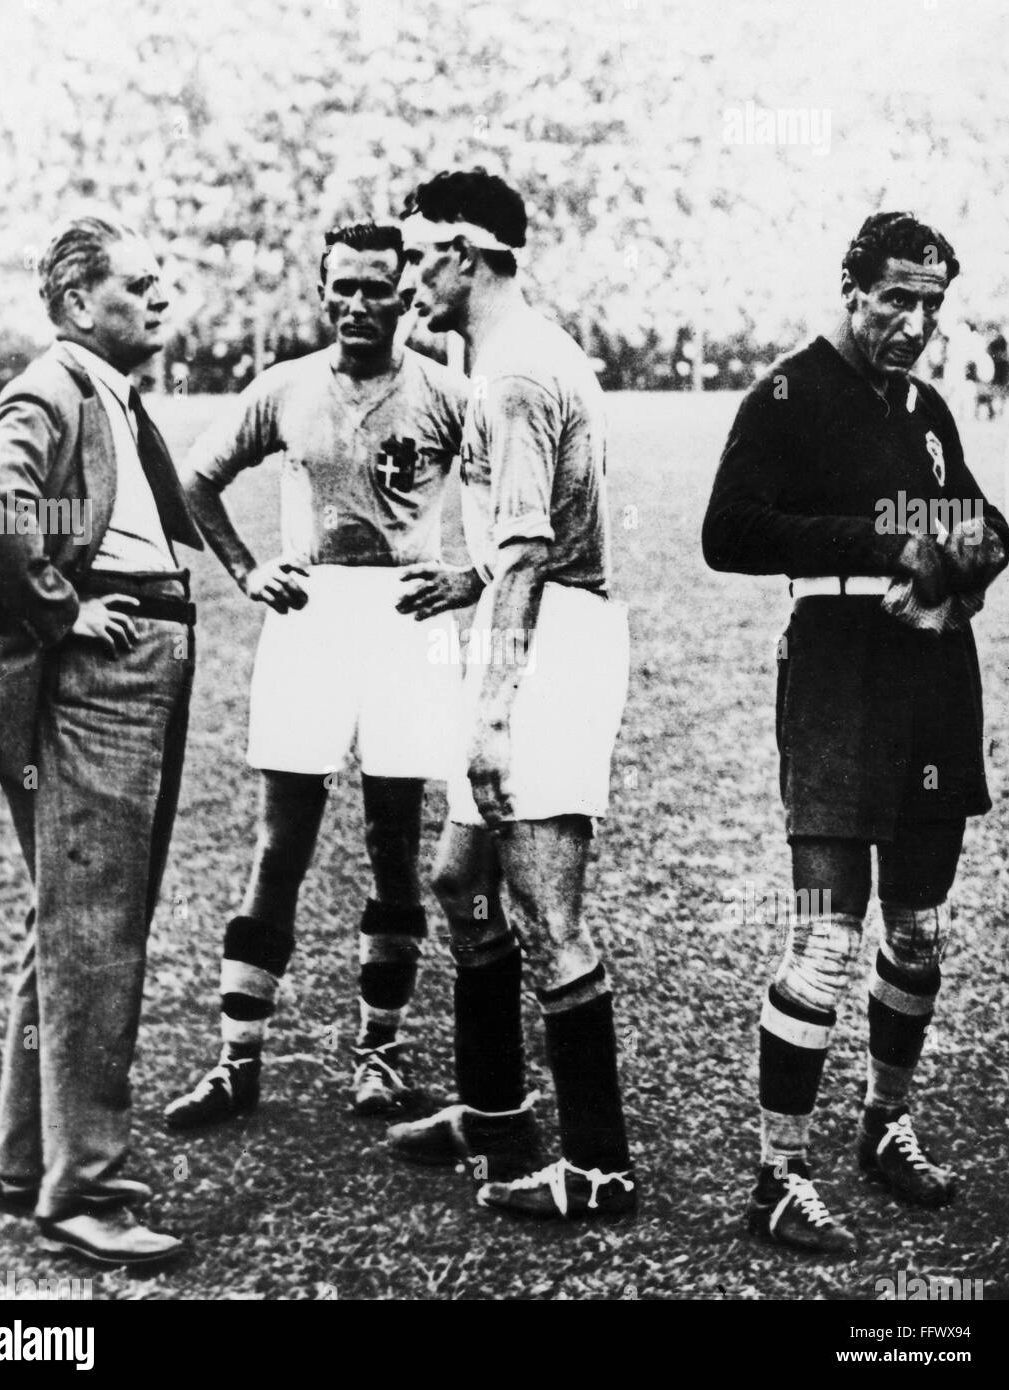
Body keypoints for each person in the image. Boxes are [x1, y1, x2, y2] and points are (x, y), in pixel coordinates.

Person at [702, 212, 1009, 1254]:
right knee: (825, 935)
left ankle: (886, 1121)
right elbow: (728, 532)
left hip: (932, 684)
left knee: (917, 927)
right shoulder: (787, 396)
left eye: (930, 304)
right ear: (850, 289)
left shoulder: (928, 408)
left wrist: (960, 561)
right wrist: (887, 533)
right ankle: (778, 1173)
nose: (914, 322)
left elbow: (989, 524)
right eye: (895, 299)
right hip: (835, 682)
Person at [164, 222, 472, 1129]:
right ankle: (236, 1059)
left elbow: (512, 494)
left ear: (405, 292)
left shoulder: (447, 394)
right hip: (307, 619)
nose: (358, 304)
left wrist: (470, 572)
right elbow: (195, 479)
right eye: (343, 286)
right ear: (322, 289)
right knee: (279, 846)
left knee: (393, 843)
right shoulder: (288, 386)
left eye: (378, 287)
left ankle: (379, 1051)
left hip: (405, 618)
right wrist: (249, 568)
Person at [0, 215, 203, 1265]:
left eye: (160, 281)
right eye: (140, 285)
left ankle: (26, 1158)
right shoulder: (54, 387)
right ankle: (82, 1192)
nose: (161, 297)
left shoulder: (105, 391)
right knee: (98, 929)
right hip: (99, 675)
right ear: (74, 305)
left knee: (74, 914)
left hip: (130, 665)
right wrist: (60, 609)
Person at [386, 170, 635, 1221]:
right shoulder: (504, 358)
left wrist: (491, 711)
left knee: (542, 910)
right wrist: (469, 578)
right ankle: (493, 1114)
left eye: (414, 257)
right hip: (522, 622)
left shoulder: (518, 374)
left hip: (551, 645)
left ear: (463, 253)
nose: (406, 282)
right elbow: (514, 544)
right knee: (459, 879)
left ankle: (598, 1165)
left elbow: (533, 550)